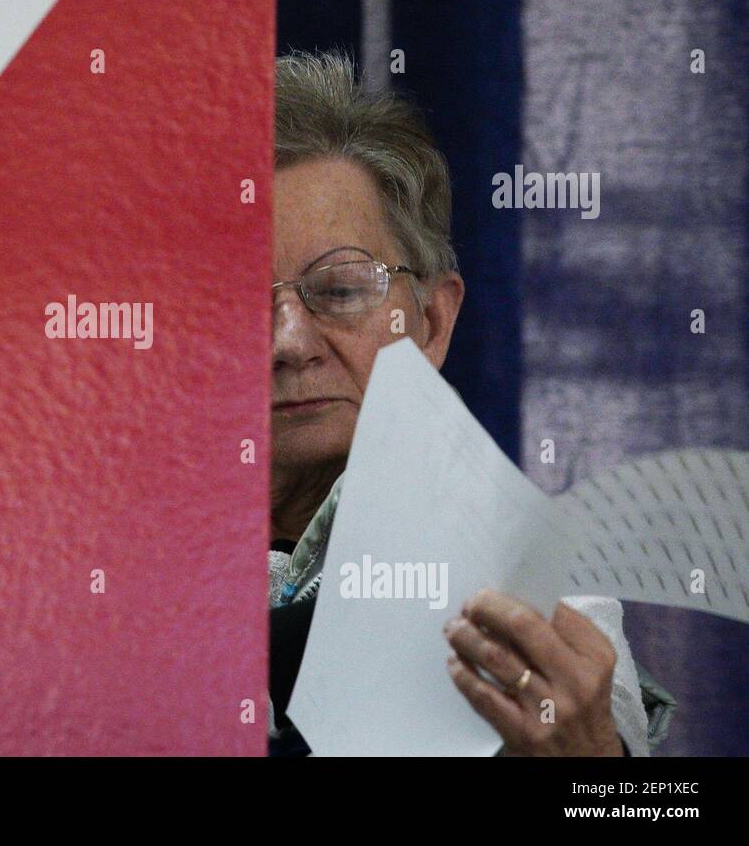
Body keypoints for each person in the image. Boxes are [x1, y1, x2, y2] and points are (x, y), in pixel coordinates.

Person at [267, 50, 671, 756]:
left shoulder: (536, 595)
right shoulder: (92, 582)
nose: (291, 342)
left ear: (432, 322)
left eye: (338, 289)